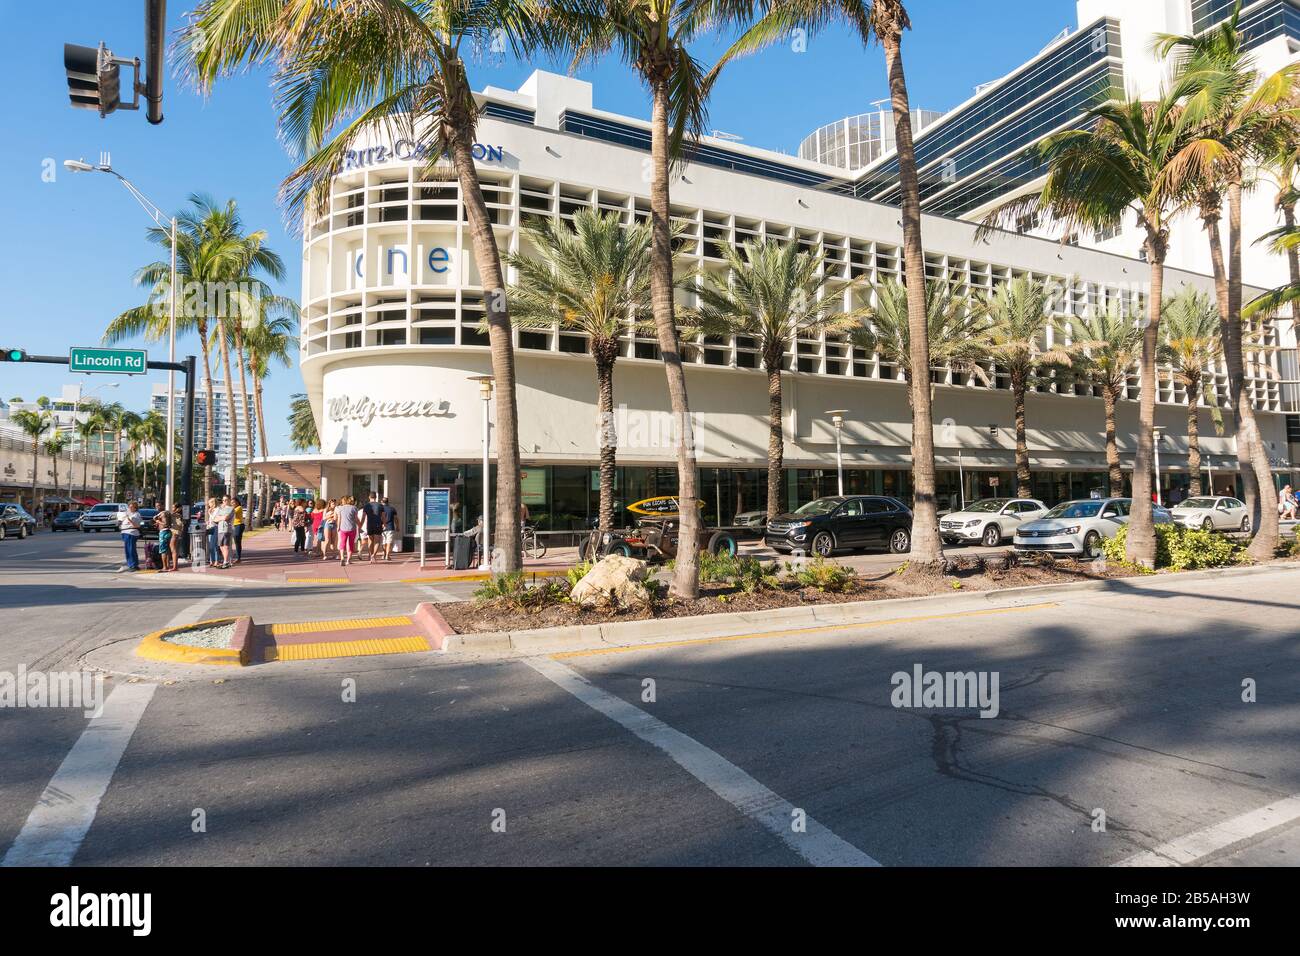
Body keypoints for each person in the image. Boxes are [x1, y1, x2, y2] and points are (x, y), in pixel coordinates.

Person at [118, 501, 143, 572]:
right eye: (129, 507)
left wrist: (129, 519)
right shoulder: (128, 514)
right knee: (128, 550)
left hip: (131, 533)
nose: (130, 508)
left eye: (132, 507)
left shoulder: (136, 515)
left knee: (131, 550)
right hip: (125, 532)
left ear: (135, 508)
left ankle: (134, 565)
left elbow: (137, 525)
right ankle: (130, 564)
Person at [336, 495, 359, 566]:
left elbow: (339, 518)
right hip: (352, 528)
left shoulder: (340, 508)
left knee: (342, 543)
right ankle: (348, 560)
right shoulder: (354, 508)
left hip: (342, 528)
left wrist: (338, 527)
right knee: (351, 544)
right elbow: (356, 519)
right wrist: (360, 525)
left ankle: (342, 557)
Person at [212, 496, 235, 569]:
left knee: (226, 546)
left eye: (226, 500)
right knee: (221, 546)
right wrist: (221, 517)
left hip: (226, 529)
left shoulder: (231, 509)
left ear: (229, 500)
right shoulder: (221, 509)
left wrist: (220, 517)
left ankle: (226, 561)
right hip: (220, 529)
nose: (224, 501)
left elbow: (226, 518)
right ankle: (225, 561)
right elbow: (215, 519)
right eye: (223, 500)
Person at [362, 491, 385, 562]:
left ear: (369, 497)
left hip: (369, 524)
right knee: (377, 541)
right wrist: (384, 523)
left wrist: (360, 525)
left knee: (370, 540)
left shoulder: (366, 506)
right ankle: (373, 556)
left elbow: (363, 517)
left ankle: (370, 555)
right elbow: (383, 516)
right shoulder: (380, 505)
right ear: (376, 497)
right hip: (378, 524)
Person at [380, 495, 399, 562]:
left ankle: (384, 554)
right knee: (389, 542)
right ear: (388, 502)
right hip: (390, 527)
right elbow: (396, 519)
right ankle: (387, 556)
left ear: (382, 502)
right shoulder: (392, 509)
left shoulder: (380, 509)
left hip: (382, 527)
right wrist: (397, 526)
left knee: (383, 542)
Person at [205, 497, 221, 567]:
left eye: (209, 503)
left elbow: (215, 518)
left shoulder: (217, 509)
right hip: (210, 527)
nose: (208, 504)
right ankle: (212, 560)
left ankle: (216, 561)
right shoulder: (211, 510)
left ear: (213, 503)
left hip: (215, 527)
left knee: (214, 545)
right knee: (210, 546)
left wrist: (209, 513)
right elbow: (211, 519)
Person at [232, 497, 245, 563]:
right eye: (232, 503)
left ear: (237, 502)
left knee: (237, 540)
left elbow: (233, 512)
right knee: (236, 542)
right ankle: (238, 556)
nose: (233, 504)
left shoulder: (239, 507)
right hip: (235, 525)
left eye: (234, 502)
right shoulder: (233, 508)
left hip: (239, 525)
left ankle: (238, 557)